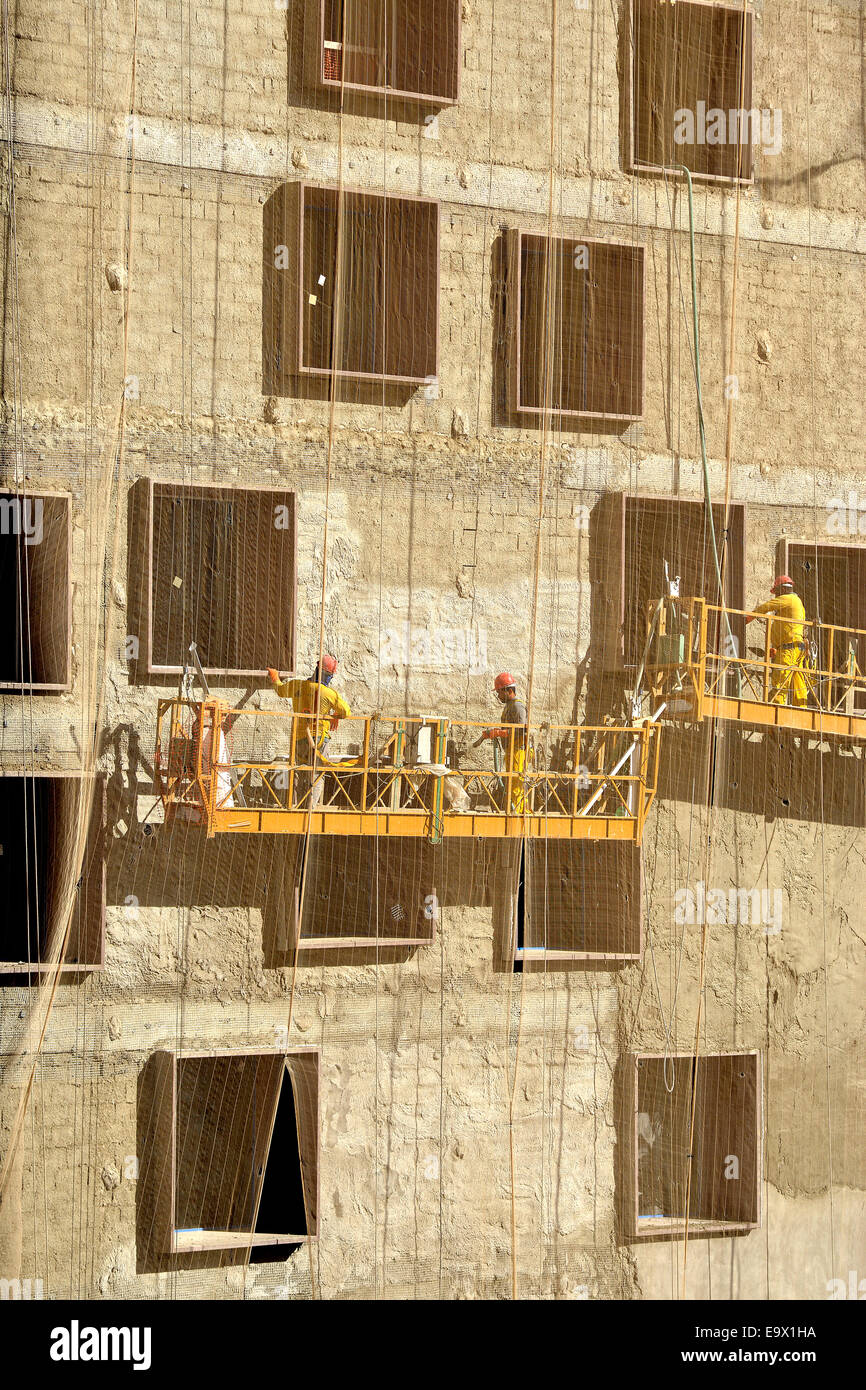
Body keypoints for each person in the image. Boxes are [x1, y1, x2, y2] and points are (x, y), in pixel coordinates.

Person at [267, 654, 351, 807]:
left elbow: (280, 690)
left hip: (299, 738)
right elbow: (346, 711)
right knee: (317, 775)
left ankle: (295, 806)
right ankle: (310, 807)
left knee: (298, 771)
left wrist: (275, 677)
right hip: (319, 741)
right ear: (328, 675)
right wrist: (335, 716)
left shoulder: (297, 685)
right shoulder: (329, 694)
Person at [745, 575, 808, 707]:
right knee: (798, 685)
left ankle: (774, 712)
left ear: (783, 590)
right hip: (794, 648)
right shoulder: (796, 603)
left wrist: (748, 618)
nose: (776, 596)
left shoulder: (788, 599)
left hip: (789, 649)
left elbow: (766, 607)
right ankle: (802, 713)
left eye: (777, 593)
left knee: (780, 685)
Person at [480, 671, 528, 812]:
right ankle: (512, 810)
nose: (498, 696)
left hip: (519, 750)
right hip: (511, 751)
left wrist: (500, 733)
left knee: (516, 784)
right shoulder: (509, 706)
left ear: (509, 690)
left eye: (500, 692)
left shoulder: (518, 707)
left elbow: (521, 730)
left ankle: (518, 813)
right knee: (511, 783)